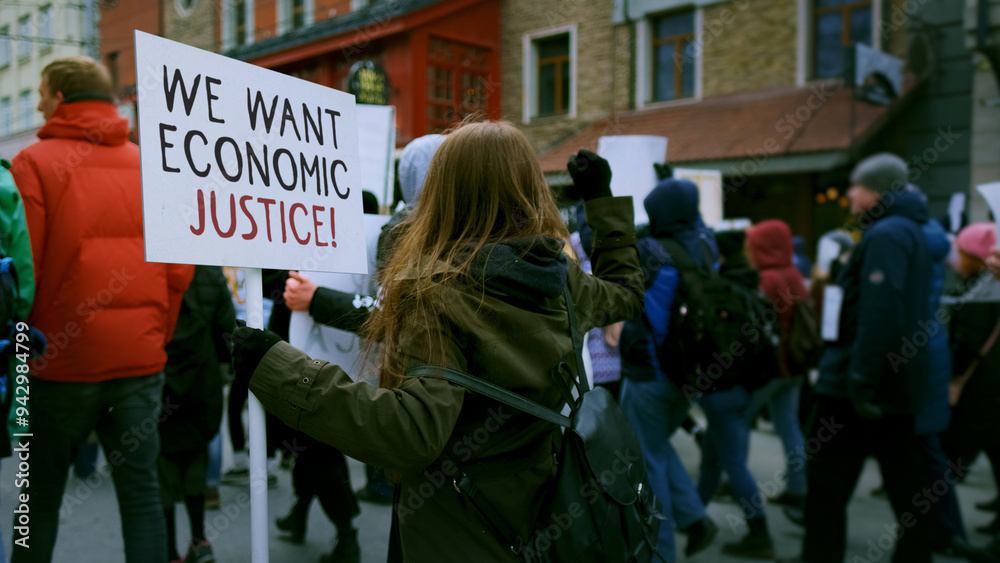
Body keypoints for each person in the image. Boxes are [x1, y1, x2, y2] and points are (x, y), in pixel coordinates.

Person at [232, 120, 644, 561]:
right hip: (545, 505)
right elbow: (627, 293)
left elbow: (412, 432)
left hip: (457, 521)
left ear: (443, 191)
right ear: (529, 185)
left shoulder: (436, 292)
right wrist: (601, 199)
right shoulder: (561, 278)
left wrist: (278, 367)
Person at [10, 56, 194, 563]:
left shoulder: (33, 163)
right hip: (139, 362)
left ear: (60, 98)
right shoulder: (151, 164)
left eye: (41, 94)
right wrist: (154, 336)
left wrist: (24, 348)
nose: (38, 104)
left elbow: (24, 274)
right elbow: (179, 270)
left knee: (36, 499)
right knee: (142, 495)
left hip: (57, 365)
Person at [779, 153, 934, 563]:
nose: (849, 193)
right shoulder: (908, 229)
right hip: (891, 381)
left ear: (876, 191)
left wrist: (861, 381)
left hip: (856, 384)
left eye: (856, 185)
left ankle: (820, 557)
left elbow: (880, 313)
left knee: (828, 483)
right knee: (905, 482)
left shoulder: (886, 234)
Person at [281, 135, 447, 507]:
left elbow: (391, 316)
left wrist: (316, 299)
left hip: (422, 384)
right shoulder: (468, 227)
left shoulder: (410, 229)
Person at [617, 177, 718, 562]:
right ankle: (695, 519)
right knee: (656, 447)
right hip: (691, 373)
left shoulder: (650, 250)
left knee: (648, 462)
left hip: (651, 373)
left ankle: (662, 553)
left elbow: (616, 264)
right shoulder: (707, 243)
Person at [696, 224, 776, 559]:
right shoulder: (750, 283)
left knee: (732, 462)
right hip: (746, 384)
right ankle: (694, 518)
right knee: (712, 459)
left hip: (721, 389)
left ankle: (760, 534)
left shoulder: (718, 287)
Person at [159, 265, 234, 563]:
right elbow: (227, 327)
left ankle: (168, 550)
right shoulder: (209, 271)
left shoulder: (153, 264)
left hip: (160, 377)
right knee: (196, 458)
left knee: (162, 464)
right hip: (202, 379)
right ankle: (199, 540)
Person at [743, 220, 809, 513]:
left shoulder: (767, 279)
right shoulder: (794, 273)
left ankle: (734, 478)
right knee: (789, 425)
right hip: (795, 363)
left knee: (739, 421)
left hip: (771, 366)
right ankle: (798, 487)